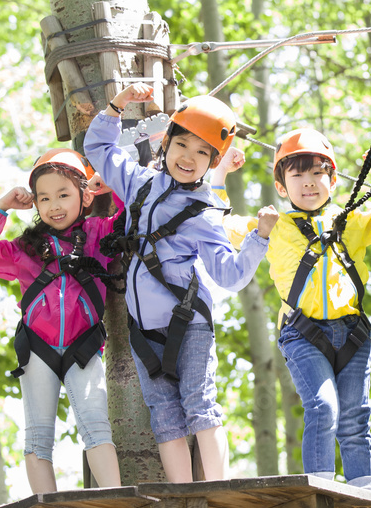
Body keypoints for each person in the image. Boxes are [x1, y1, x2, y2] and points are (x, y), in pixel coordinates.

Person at [84, 83, 278, 483]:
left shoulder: (203, 214)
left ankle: (220, 488)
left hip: (187, 323)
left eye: (202, 152)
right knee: (165, 417)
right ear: (166, 144)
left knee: (199, 403)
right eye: (182, 145)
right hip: (143, 331)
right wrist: (117, 105)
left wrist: (259, 238)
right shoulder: (138, 184)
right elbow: (99, 149)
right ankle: (183, 495)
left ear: (212, 163)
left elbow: (230, 275)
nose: (189, 158)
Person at [216, 128, 371, 489]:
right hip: (302, 333)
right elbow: (216, 222)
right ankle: (321, 486)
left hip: (352, 333)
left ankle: (363, 489)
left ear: (333, 180)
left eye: (317, 173)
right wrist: (220, 175)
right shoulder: (274, 227)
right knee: (323, 406)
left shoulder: (353, 223)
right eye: (297, 175)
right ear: (282, 187)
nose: (308, 183)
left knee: (355, 418)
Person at [0, 148, 123, 494]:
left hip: (84, 347)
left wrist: (114, 184)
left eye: (64, 195)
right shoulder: (24, 249)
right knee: (37, 435)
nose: (55, 205)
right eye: (44, 198)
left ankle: (114, 497)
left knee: (96, 425)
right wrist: (1, 206)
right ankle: (47, 507)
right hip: (38, 349)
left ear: (84, 195)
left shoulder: (98, 234)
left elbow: (132, 221)